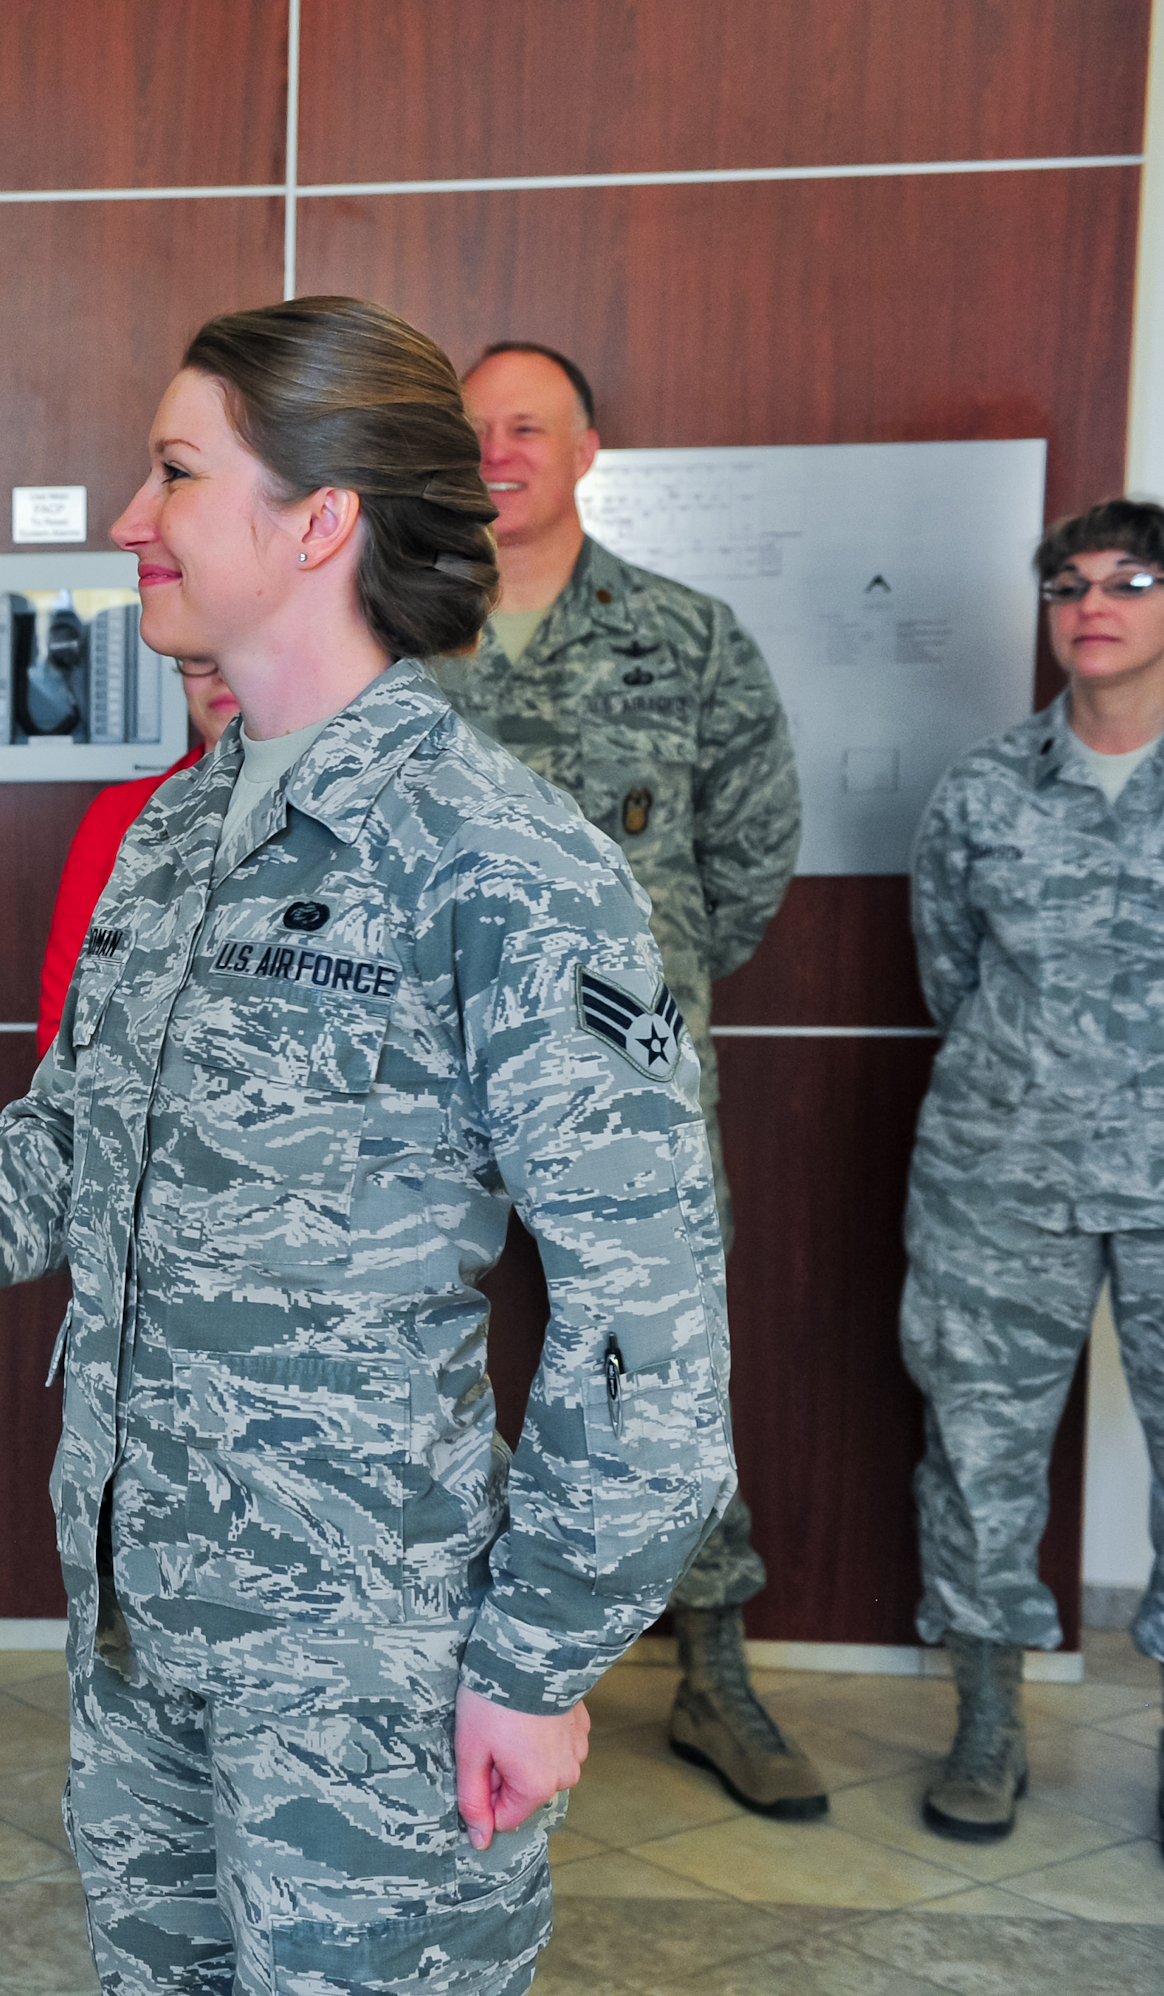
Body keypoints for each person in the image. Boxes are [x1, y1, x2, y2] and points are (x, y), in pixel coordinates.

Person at [0, 299, 735, 1995]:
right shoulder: (179, 828)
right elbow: (62, 1160)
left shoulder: (503, 861)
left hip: (372, 1681)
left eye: (175, 471)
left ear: (320, 519)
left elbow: (650, 1321)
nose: (131, 516)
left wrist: (540, 1664)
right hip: (141, 1631)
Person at [435, 342, 816, 1820]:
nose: (497, 451)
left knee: (658, 1360)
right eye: (471, 430)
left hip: (627, 1083)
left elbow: (752, 852)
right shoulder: (401, 634)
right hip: (426, 1078)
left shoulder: (688, 637)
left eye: (526, 426)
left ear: (589, 447)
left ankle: (713, 1663)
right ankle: (456, 1647)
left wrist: (643, 995)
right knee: (412, 1346)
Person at [898, 498, 1164, 1845]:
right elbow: (953, 973)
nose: (1093, 602)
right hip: (1003, 1174)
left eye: (1128, 579)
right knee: (981, 1451)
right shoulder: (987, 790)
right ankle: (987, 1721)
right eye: (1067, 583)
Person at [38, 664, 238, 1054]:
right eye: (199, 657)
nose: (222, 674)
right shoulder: (120, 814)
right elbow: (64, 1023)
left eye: (237, 646)